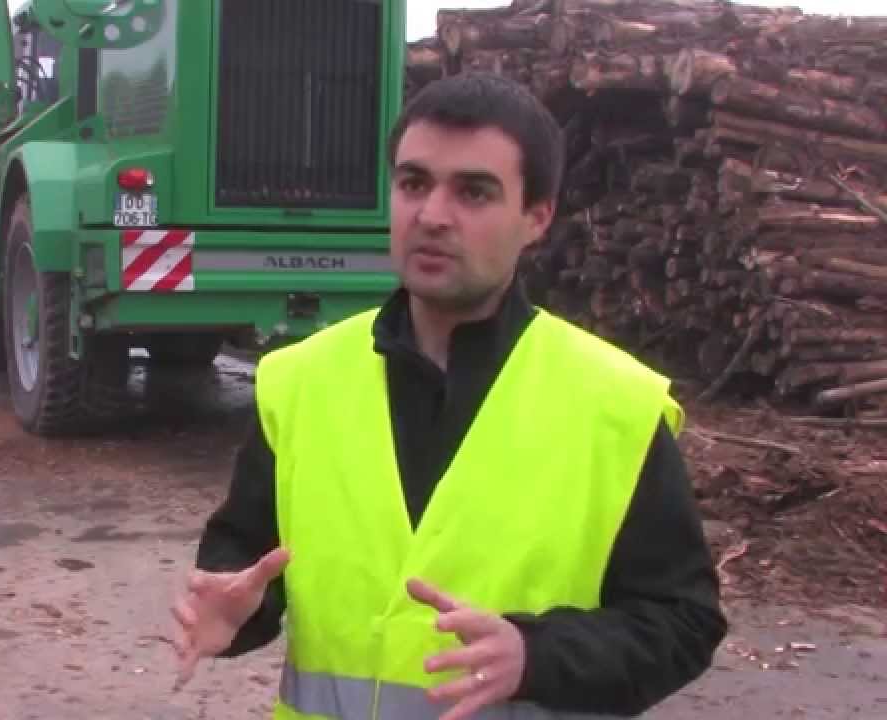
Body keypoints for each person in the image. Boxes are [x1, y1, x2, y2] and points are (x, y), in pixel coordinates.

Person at [170, 72, 727, 720]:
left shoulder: (614, 407)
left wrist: (535, 654)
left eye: (474, 192)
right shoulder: (300, 382)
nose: (432, 215)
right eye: (413, 184)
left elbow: (683, 621)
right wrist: (239, 610)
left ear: (537, 216)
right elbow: (245, 551)